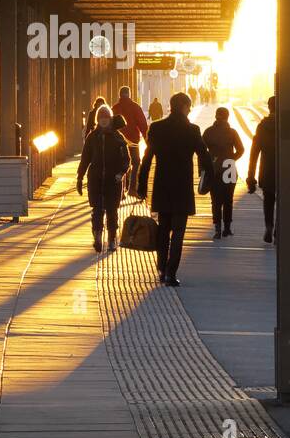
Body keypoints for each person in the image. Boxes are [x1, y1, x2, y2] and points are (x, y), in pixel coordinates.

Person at [137, 91, 209, 287]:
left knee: (163, 230)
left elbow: (147, 159)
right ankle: (171, 273)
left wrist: (141, 185)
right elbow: (204, 155)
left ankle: (161, 268)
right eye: (189, 106)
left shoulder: (157, 128)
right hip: (182, 189)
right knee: (178, 233)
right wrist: (207, 178)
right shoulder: (192, 130)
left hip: (162, 186)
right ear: (185, 107)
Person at [77, 105, 129, 253]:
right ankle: (98, 236)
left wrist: (121, 173)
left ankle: (112, 238)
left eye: (106, 118)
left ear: (110, 118)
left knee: (112, 211)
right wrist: (80, 177)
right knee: (97, 210)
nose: (104, 121)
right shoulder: (92, 137)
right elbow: (85, 159)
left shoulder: (118, 138)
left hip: (114, 181)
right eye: (101, 118)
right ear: (97, 120)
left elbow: (126, 159)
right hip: (96, 180)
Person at [202, 106, 244, 239]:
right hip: (229, 168)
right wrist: (231, 159)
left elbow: (202, 152)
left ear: (216, 116)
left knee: (215, 200)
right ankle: (227, 228)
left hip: (213, 169)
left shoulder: (208, 132)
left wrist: (204, 169)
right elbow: (241, 149)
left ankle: (217, 229)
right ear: (227, 117)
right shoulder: (232, 132)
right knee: (228, 199)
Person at [247, 96, 277, 243]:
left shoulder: (262, 126)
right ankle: (279, 229)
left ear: (269, 107)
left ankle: (269, 226)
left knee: (268, 200)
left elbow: (254, 153)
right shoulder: (287, 124)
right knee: (284, 202)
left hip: (266, 171)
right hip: (285, 171)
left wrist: (250, 177)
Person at [112, 85, 148, 198]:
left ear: (120, 95)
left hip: (117, 142)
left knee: (119, 164)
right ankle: (132, 188)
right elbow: (142, 124)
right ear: (129, 94)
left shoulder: (115, 108)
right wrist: (147, 140)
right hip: (133, 142)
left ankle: (121, 190)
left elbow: (111, 124)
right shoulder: (135, 107)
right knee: (135, 162)